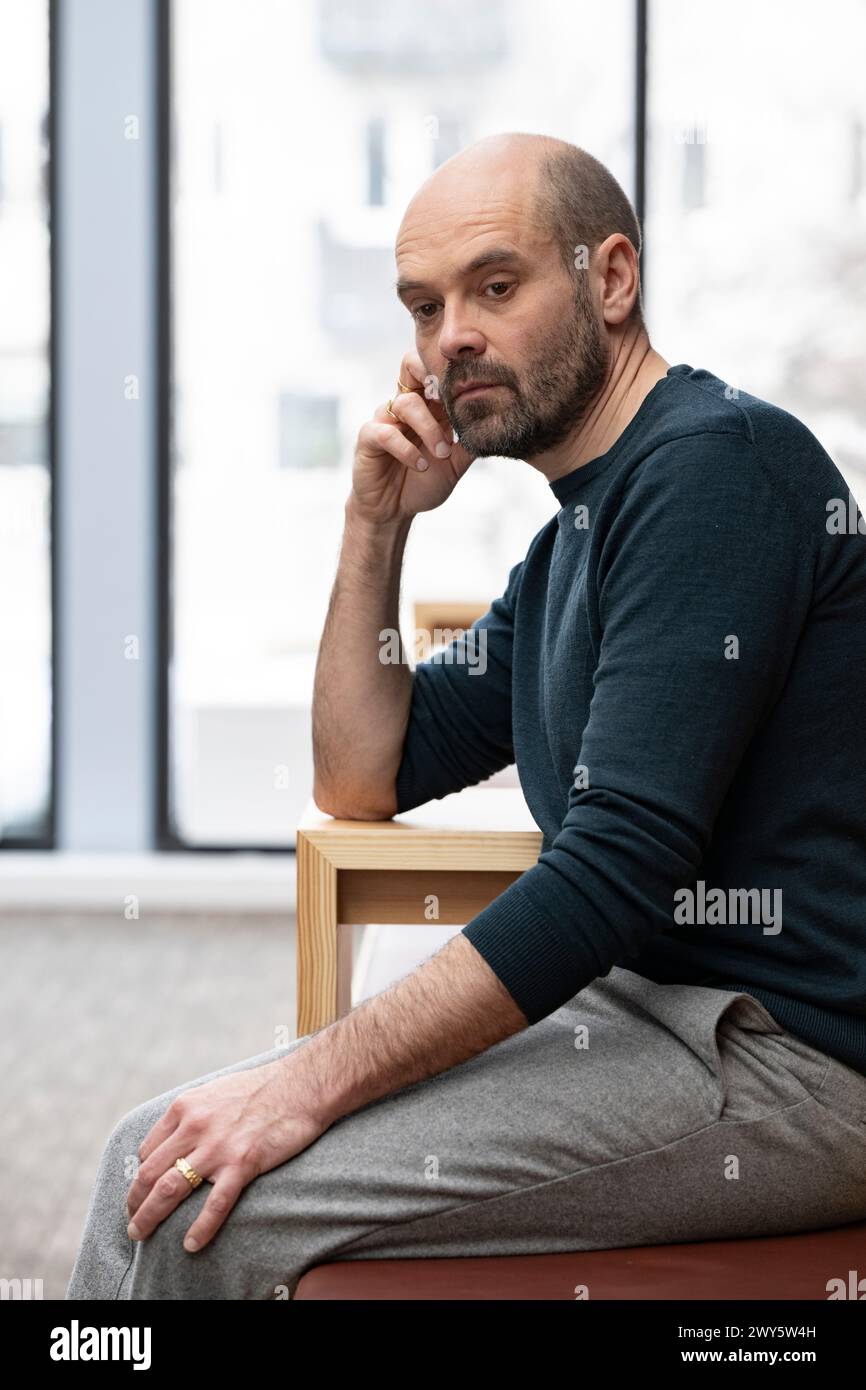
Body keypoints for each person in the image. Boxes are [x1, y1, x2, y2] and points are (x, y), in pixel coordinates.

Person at [67, 132, 866, 1302]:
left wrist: (302, 1084)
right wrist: (373, 525)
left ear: (609, 280)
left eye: (495, 286)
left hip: (781, 1061)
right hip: (650, 1016)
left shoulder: (714, 473)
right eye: (423, 306)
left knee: (186, 1201)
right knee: (156, 1148)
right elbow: (363, 774)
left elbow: (614, 870)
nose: (451, 338)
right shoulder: (570, 540)